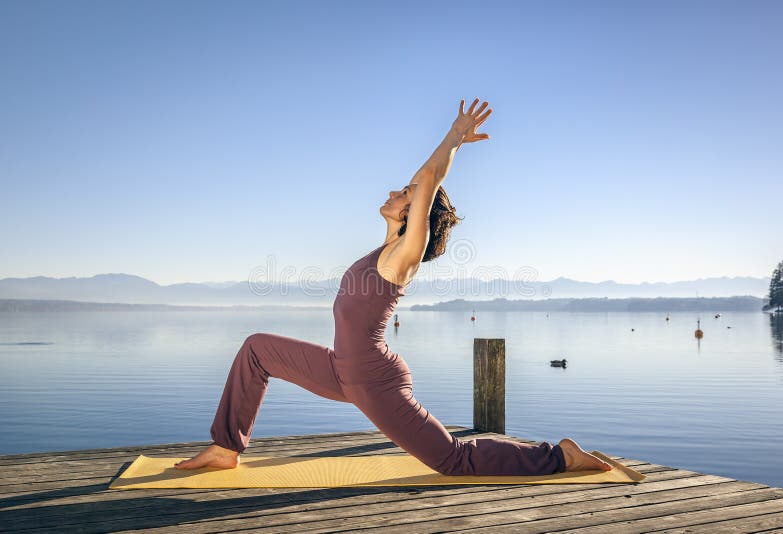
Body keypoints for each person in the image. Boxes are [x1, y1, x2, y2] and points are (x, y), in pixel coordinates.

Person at [175, 98, 613, 475]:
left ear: (416, 215)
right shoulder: (380, 252)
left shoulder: (404, 257)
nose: (396, 191)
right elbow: (421, 186)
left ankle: (560, 457)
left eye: (405, 194)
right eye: (404, 190)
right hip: (340, 368)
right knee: (257, 349)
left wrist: (454, 138)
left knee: (453, 460)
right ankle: (225, 448)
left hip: (372, 379)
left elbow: (428, 180)